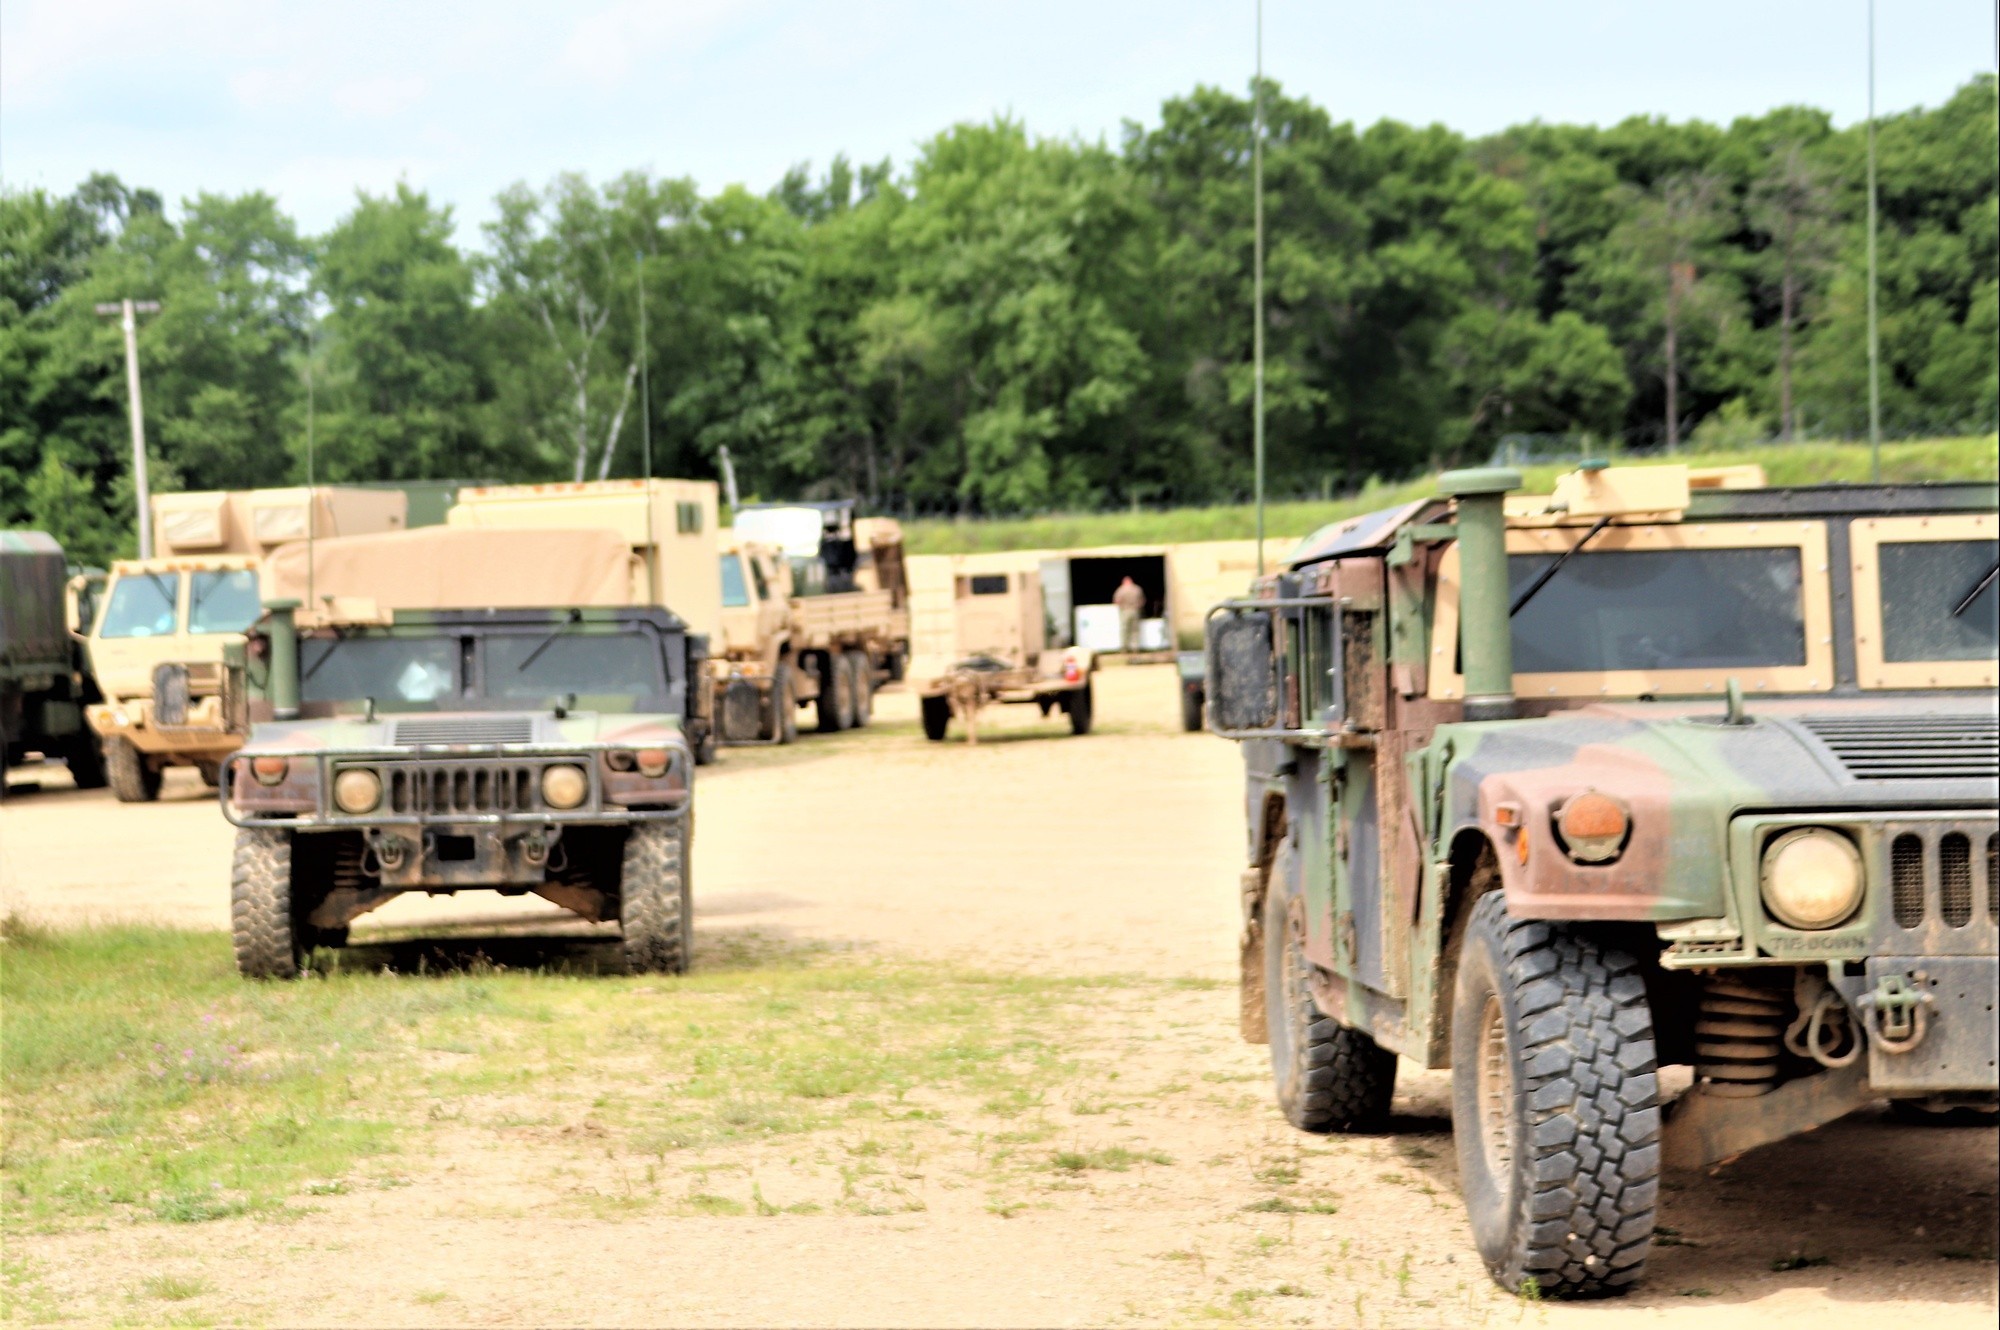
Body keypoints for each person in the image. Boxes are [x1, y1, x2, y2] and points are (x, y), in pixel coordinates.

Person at [1112, 575, 1147, 652]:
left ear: (1124, 582)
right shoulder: (1137, 589)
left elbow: (1116, 601)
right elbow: (1142, 601)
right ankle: (1135, 648)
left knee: (1124, 630)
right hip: (1135, 611)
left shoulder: (1120, 590)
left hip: (1125, 611)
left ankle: (1124, 648)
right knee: (1135, 630)